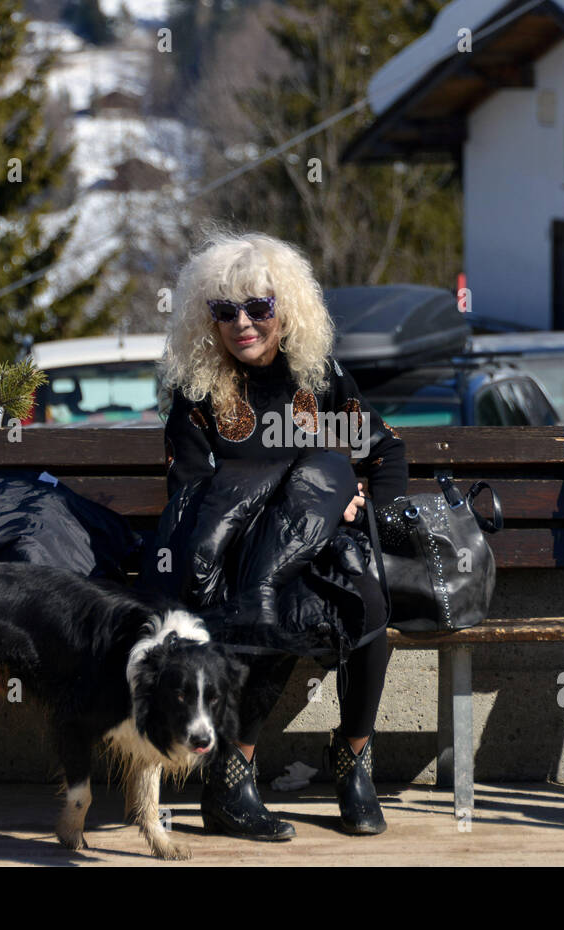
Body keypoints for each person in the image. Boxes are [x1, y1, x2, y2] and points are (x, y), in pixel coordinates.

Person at [155, 230, 407, 840]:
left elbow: (386, 452)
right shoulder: (196, 397)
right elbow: (191, 501)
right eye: (224, 311)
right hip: (236, 566)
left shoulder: (318, 380)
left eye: (258, 307)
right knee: (271, 612)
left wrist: (364, 502)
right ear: (206, 319)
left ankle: (352, 760)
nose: (242, 322)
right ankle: (230, 779)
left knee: (369, 598)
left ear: (285, 309)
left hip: (317, 549)